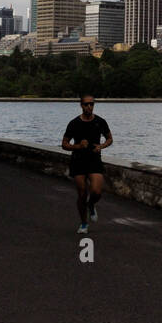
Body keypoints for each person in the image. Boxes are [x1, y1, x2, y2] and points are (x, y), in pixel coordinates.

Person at [61, 94, 113, 234]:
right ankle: (84, 223)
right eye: (86, 104)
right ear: (81, 105)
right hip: (78, 161)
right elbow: (64, 144)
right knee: (82, 194)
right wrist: (77, 146)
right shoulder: (74, 123)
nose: (89, 106)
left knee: (96, 192)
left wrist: (101, 146)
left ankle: (91, 205)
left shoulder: (100, 121)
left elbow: (109, 139)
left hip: (94, 159)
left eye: (92, 104)